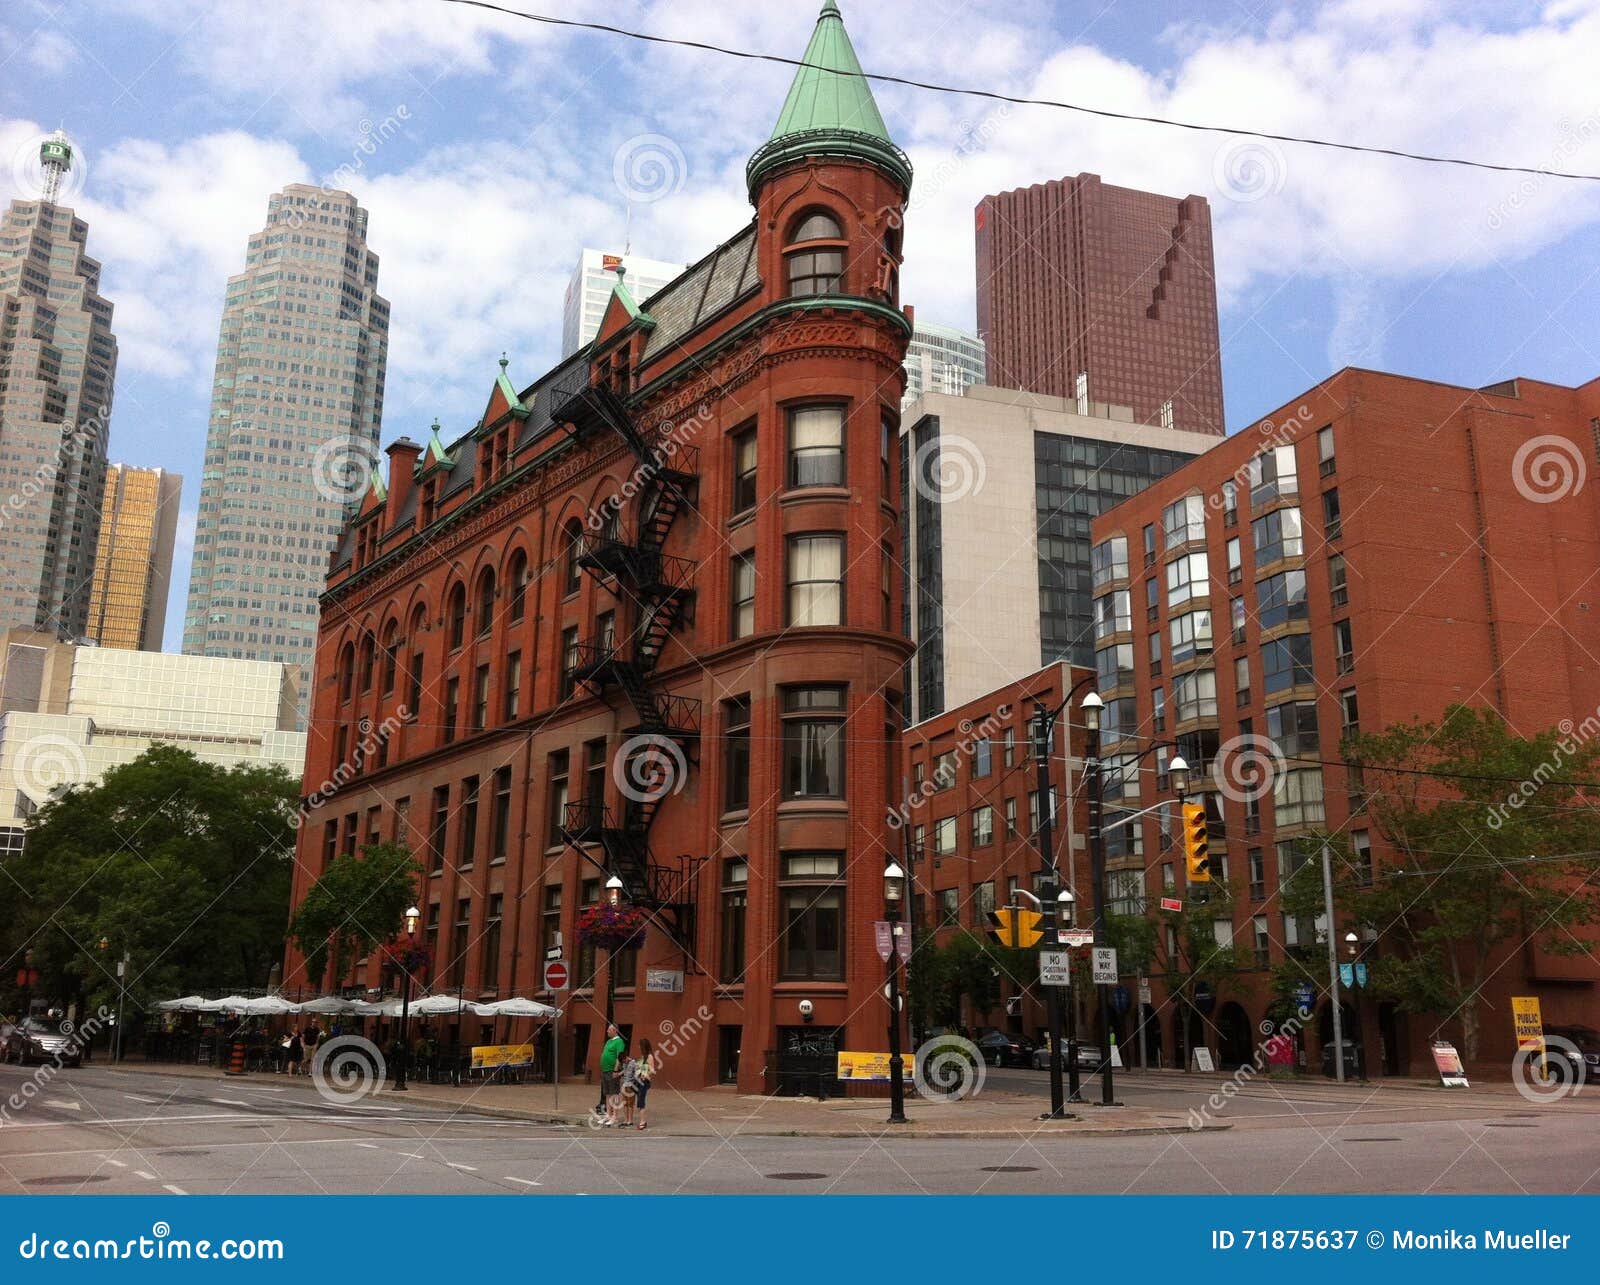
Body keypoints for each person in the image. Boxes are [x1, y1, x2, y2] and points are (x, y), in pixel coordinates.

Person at [598, 1023, 625, 1125]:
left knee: (615, 1094)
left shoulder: (619, 1041)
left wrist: (615, 1070)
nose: (607, 1031)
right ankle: (608, 1115)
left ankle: (615, 1116)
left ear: (615, 1031)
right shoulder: (609, 1041)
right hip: (605, 1070)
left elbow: (619, 1057)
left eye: (609, 1030)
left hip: (612, 1071)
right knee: (608, 1093)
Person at [631, 1038, 654, 1130]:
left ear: (643, 1046)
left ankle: (643, 1122)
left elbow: (652, 1070)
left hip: (644, 1082)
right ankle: (642, 1121)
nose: (638, 1046)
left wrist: (646, 1075)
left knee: (641, 1102)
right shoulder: (642, 1057)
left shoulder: (649, 1057)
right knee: (639, 1101)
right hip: (638, 1081)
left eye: (640, 1045)